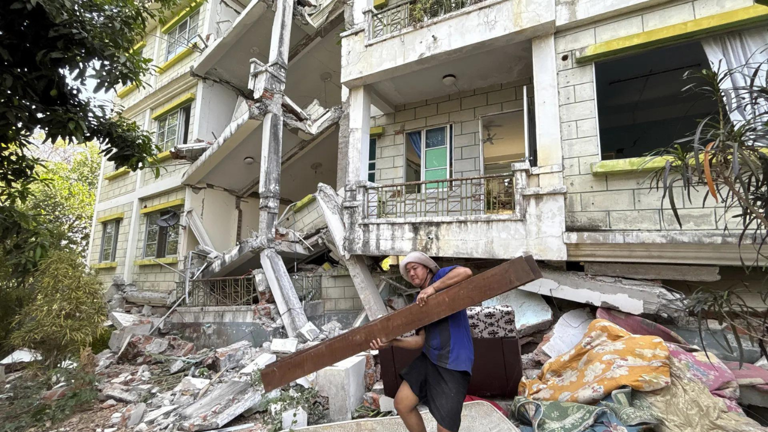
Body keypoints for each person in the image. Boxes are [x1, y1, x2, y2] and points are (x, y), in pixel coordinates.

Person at [370, 251, 474, 432]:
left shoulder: (440, 278)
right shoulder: (418, 301)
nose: (411, 273)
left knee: (445, 429)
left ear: (427, 268)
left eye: (415, 268)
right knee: (402, 403)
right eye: (408, 271)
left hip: (454, 360)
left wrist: (433, 288)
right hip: (430, 358)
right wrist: (392, 342)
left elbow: (465, 272)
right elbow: (420, 340)